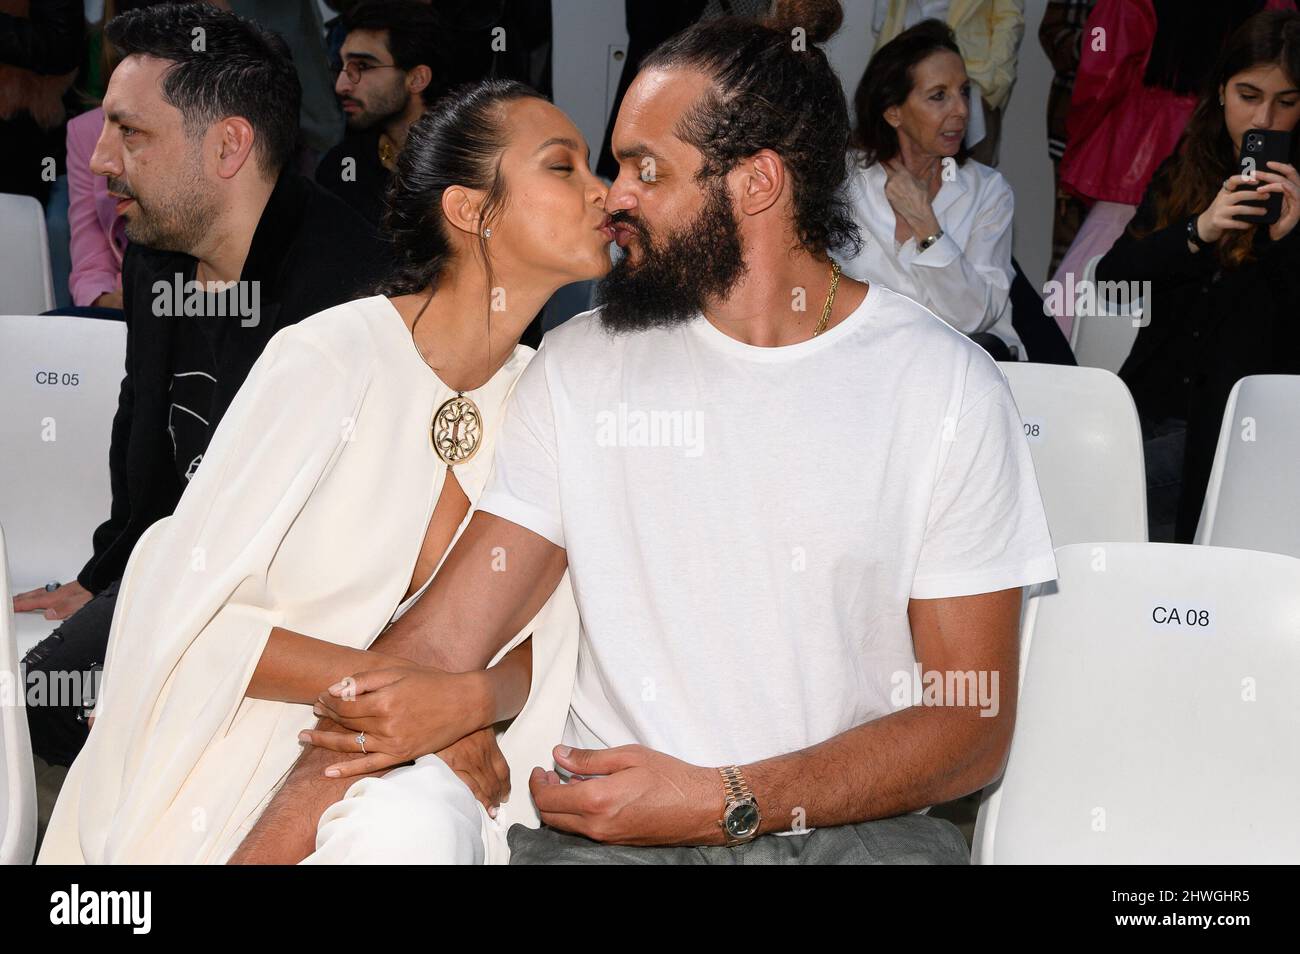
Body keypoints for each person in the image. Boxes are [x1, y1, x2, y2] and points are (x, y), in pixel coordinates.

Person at [234, 0, 1056, 866]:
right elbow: (442, 638)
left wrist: (725, 799)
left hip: (852, 826)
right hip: (607, 834)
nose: (613, 197)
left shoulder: (946, 385)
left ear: (756, 184)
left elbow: (971, 726)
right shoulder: (581, 365)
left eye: (647, 170)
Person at [38, 76, 614, 864]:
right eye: (564, 167)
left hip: (433, 770)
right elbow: (187, 608)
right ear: (470, 209)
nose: (602, 190)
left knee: (414, 831)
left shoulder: (545, 394)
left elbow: (556, 643)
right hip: (250, 736)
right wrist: (419, 704)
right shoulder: (331, 358)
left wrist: (463, 705)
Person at [14, 3, 387, 776]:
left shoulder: (355, 291)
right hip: (183, 562)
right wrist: (108, 575)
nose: (100, 161)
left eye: (131, 132)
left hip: (296, 602)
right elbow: (143, 422)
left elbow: (352, 538)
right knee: (48, 695)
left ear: (228, 146)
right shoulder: (158, 251)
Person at [1098, 8, 1300, 543]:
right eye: (1248, 95)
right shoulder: (1187, 165)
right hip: (1147, 410)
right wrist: (1198, 230)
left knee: (1087, 488)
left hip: (1242, 437)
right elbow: (1113, 280)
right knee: (1070, 469)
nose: (1264, 120)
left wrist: (1285, 245)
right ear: (1220, 92)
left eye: (1287, 102)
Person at [841, 19, 1025, 360]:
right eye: (939, 96)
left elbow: (974, 317)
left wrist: (927, 228)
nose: (961, 110)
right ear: (894, 112)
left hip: (966, 369)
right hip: (865, 369)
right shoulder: (845, 182)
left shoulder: (988, 192)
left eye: (964, 92)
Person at [315, 0, 492, 229]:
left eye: (364, 66)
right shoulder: (339, 167)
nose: (342, 85)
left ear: (417, 79)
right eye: (343, 66)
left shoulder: (472, 166)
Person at [870, 0, 1024, 167]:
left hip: (974, 77)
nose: (961, 110)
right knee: (888, 168)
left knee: (970, 177)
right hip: (900, 79)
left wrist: (995, 81)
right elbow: (883, 17)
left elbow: (1010, 18)